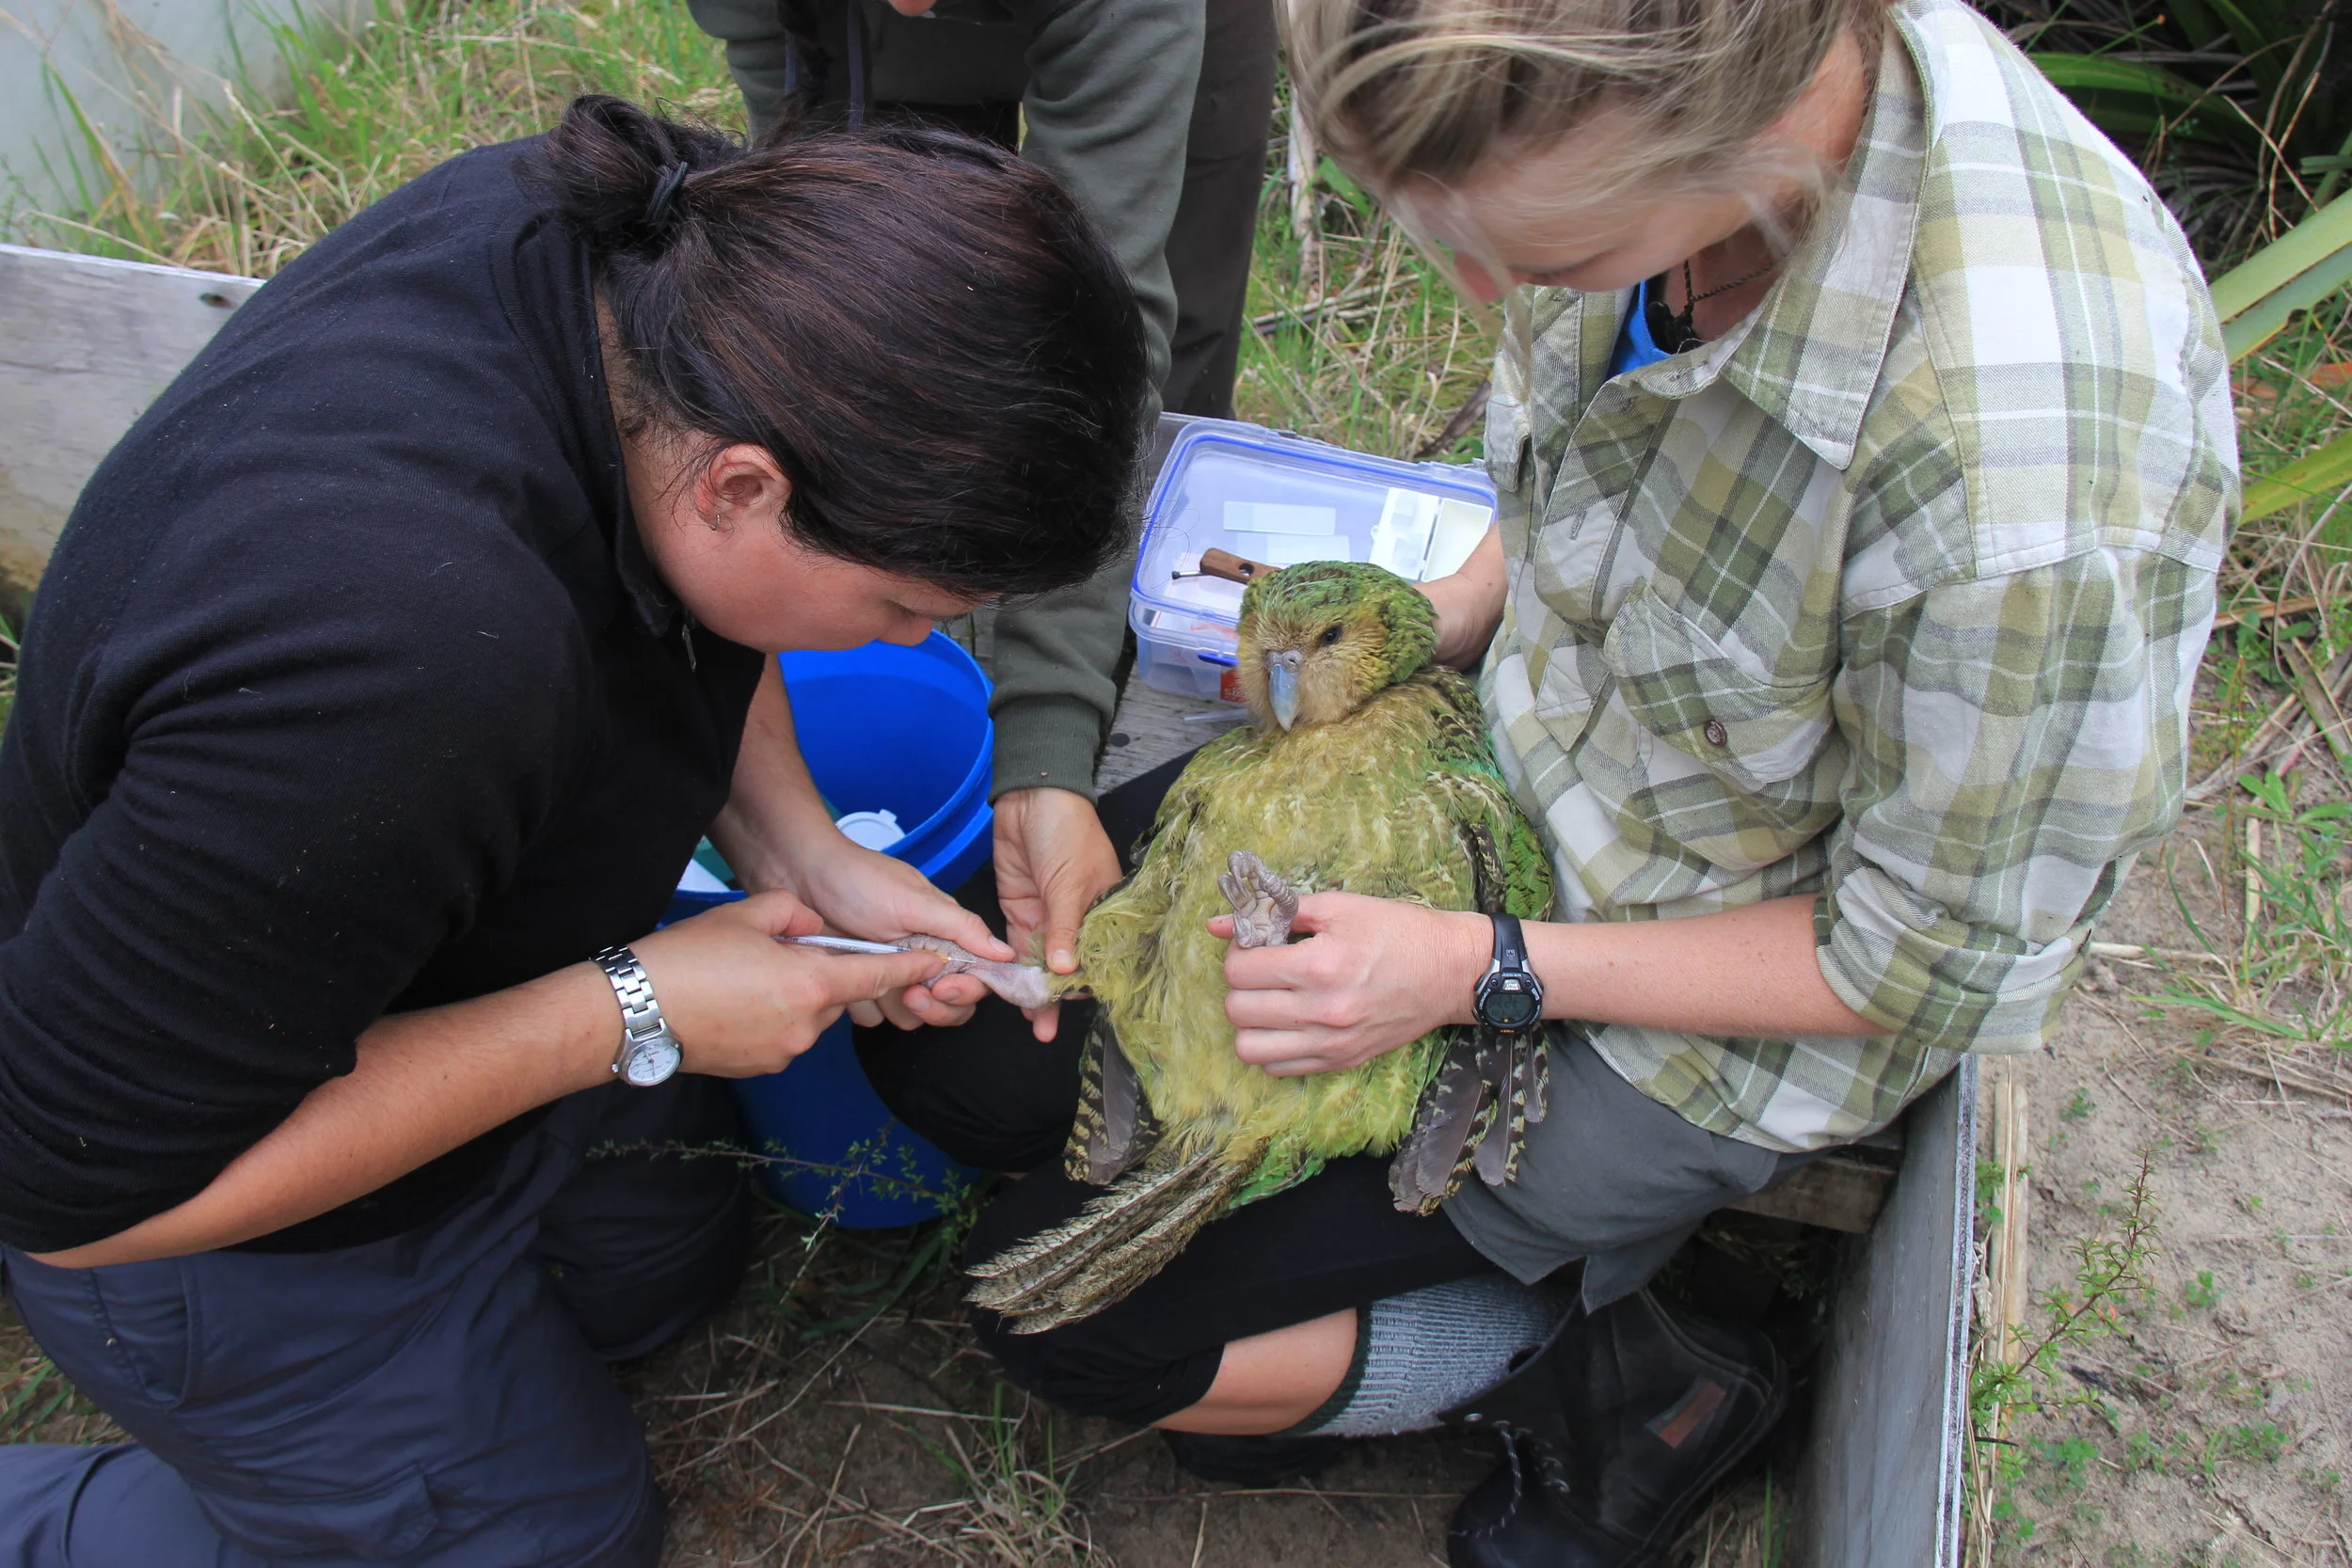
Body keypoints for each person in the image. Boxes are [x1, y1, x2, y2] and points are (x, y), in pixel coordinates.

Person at [855, 0, 2238, 1561]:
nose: (1478, 293)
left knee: (1068, 1318)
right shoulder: (1649, 146)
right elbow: (1593, 460)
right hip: (1492, 779)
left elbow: (1914, 965)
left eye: (1544, 261)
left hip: (1690, 1008)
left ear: (1733, 141)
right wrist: (1423, 635)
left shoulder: (2019, 499)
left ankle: (1605, 1366)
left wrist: (1475, 966)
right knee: (955, 1066)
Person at [0, 95, 1147, 1566]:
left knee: (658, 1276)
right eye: (904, 606)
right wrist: (631, 1005)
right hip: (207, 1199)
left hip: (438, 959)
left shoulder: (651, 263)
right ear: (744, 483)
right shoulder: (396, 672)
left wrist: (798, 843)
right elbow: (77, 1188)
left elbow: (683, 617)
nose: (915, 636)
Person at [682, 0, 1277, 975]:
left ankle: (1095, 645)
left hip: (1134, 28)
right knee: (877, 302)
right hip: (846, 44)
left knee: (1148, 365)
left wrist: (1045, 732)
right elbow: (806, 273)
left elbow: (1108, 340)